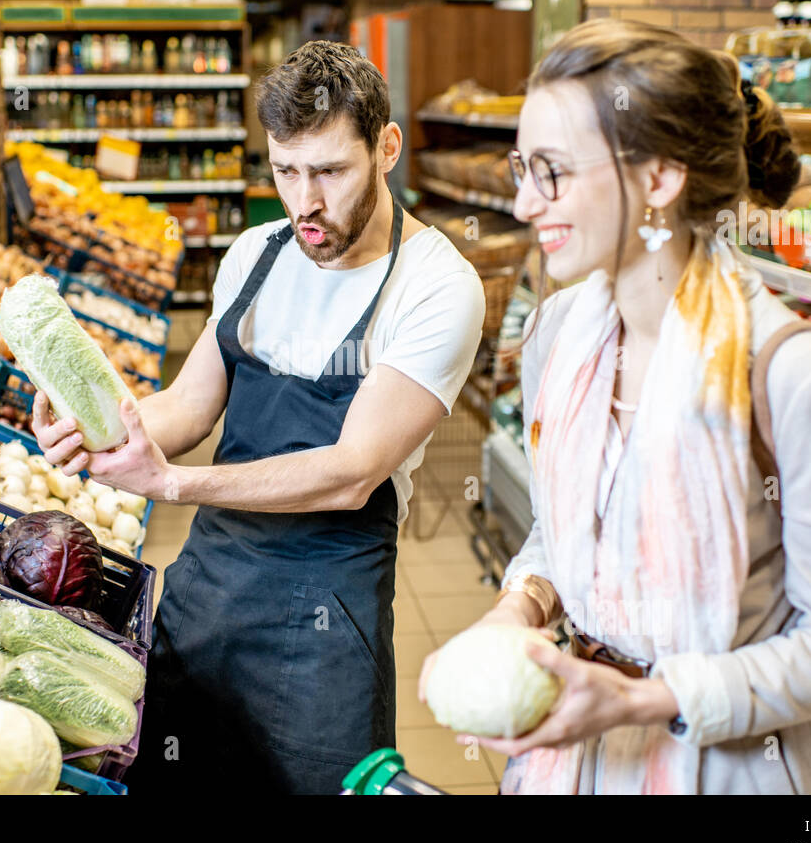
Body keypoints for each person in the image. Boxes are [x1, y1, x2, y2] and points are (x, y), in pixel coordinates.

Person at [419, 19, 811, 794]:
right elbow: (563, 525)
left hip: (727, 769)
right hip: (569, 765)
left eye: (552, 171)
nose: (520, 199)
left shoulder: (795, 379)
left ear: (660, 179)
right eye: (521, 167)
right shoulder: (557, 336)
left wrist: (646, 698)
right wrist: (523, 603)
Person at [33, 40, 485, 793]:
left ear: (387, 148)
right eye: (284, 170)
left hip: (329, 616)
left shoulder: (436, 285)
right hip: (208, 589)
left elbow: (349, 473)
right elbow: (187, 404)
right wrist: (99, 427)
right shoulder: (254, 255)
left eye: (331, 171)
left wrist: (170, 484)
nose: (304, 201)